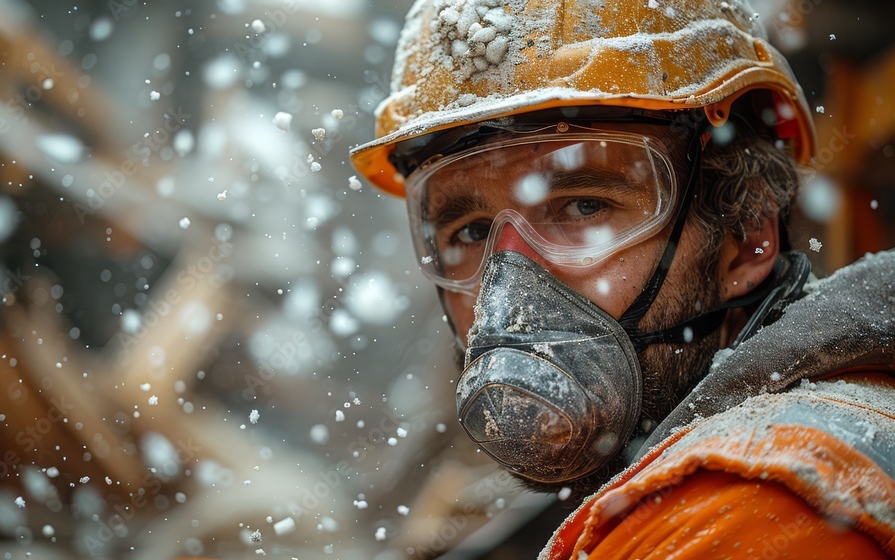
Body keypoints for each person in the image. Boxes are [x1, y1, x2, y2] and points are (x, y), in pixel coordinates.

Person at [350, 0, 895, 557]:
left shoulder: (750, 512)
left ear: (748, 233)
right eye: (468, 233)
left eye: (584, 205)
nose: (508, 290)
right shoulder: (658, 488)